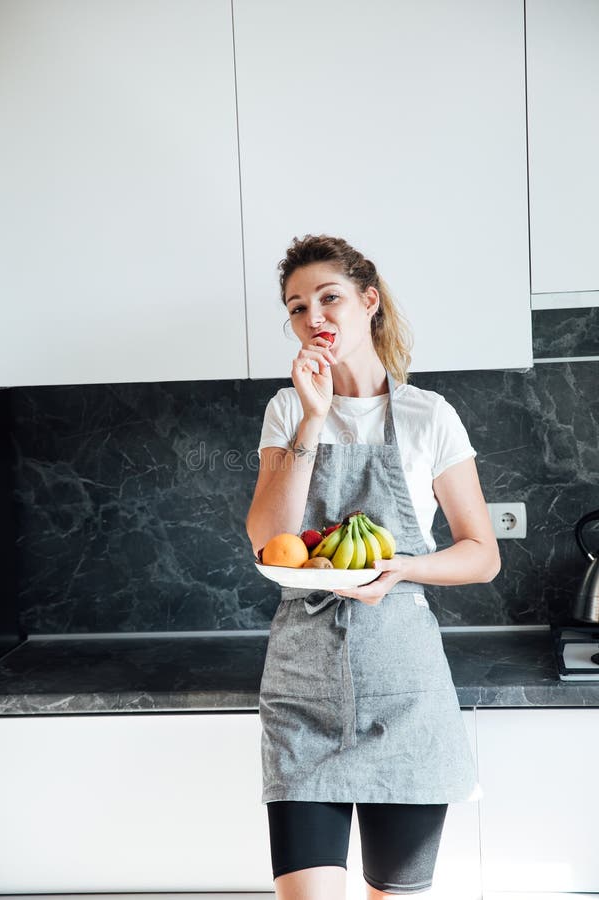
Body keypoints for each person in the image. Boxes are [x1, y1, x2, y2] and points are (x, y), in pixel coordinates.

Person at [245, 234, 500, 900]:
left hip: (404, 688)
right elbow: (270, 541)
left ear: (368, 301)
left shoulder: (428, 416)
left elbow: (481, 553)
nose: (314, 318)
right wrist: (312, 417)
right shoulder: (285, 409)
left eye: (328, 298)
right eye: (297, 308)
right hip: (303, 689)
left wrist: (402, 568)